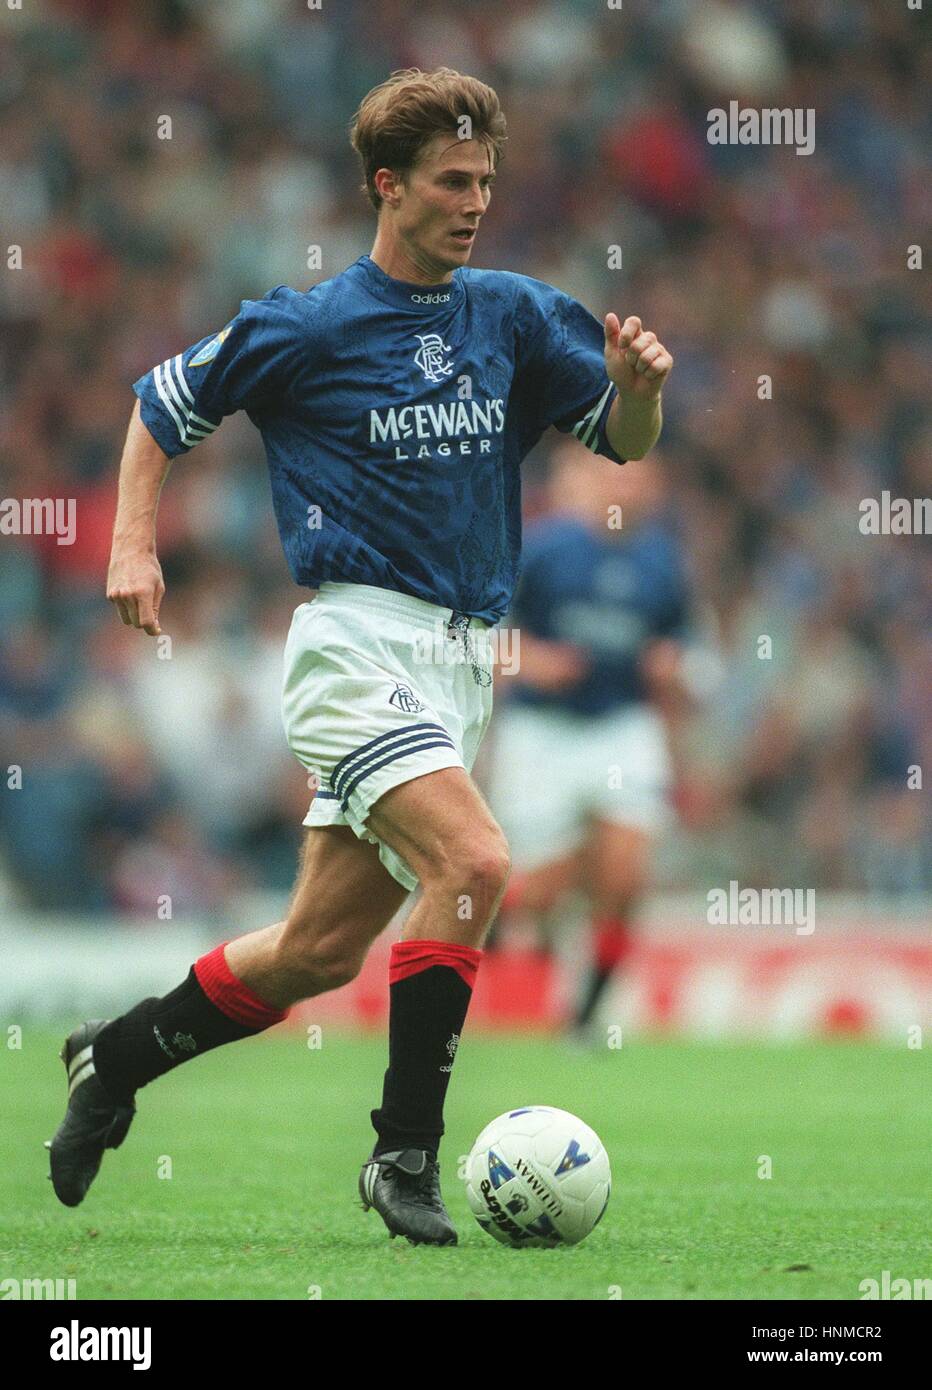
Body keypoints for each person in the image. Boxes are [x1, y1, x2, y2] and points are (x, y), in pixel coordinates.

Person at [48, 67, 673, 1245]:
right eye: (451, 179)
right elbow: (158, 406)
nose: (474, 198)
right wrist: (132, 545)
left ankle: (113, 1058)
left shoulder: (516, 315)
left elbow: (621, 443)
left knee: (314, 953)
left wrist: (636, 393)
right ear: (386, 186)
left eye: (484, 178)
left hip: (458, 665)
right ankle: (401, 1157)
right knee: (478, 859)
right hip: (353, 644)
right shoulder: (309, 324)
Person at [488, 445, 692, 1040]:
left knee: (626, 875)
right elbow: (478, 636)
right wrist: (530, 660)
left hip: (622, 726)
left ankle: (588, 1012)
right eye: (619, 474)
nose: (632, 489)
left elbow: (685, 646)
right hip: (542, 733)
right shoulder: (542, 548)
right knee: (542, 888)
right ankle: (503, 933)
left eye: (645, 478)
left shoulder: (662, 560)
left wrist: (674, 668)